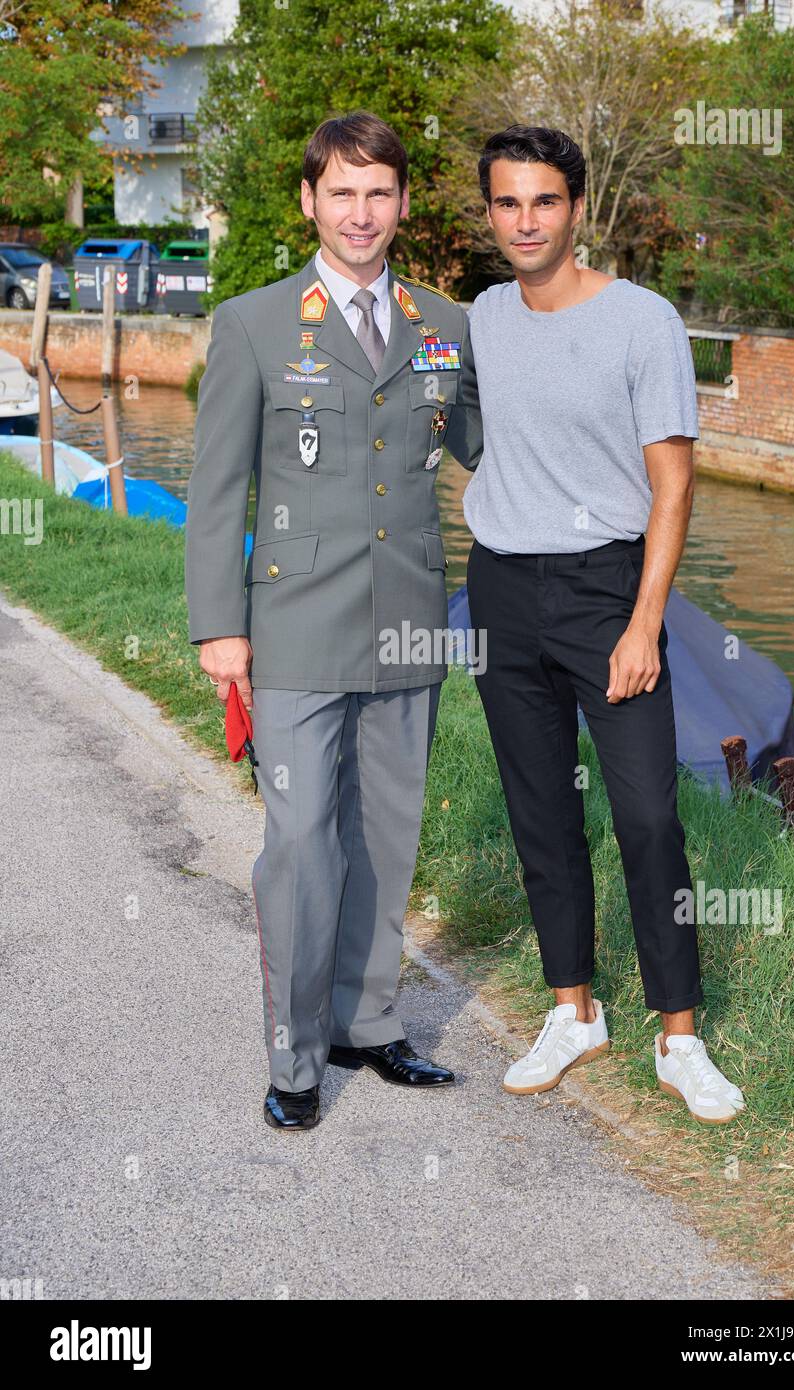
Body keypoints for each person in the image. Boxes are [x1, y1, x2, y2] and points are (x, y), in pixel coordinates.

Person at [185, 112, 483, 1132]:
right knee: (301, 844)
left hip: (406, 627)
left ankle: (365, 1022)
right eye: (341, 193)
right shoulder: (255, 323)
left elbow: (489, 454)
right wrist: (218, 626)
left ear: (403, 204)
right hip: (296, 631)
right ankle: (294, 1054)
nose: (361, 213)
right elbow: (216, 489)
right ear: (310, 202)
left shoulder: (447, 324)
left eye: (380, 193)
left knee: (384, 837)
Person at [463, 125, 745, 1124]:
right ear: (487, 211)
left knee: (646, 817)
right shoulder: (482, 319)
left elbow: (672, 488)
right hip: (500, 586)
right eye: (506, 202)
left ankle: (678, 1034)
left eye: (542, 201)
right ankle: (572, 1010)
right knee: (540, 813)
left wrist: (642, 623)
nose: (524, 220)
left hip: (606, 592)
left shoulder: (641, 320)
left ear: (575, 208)